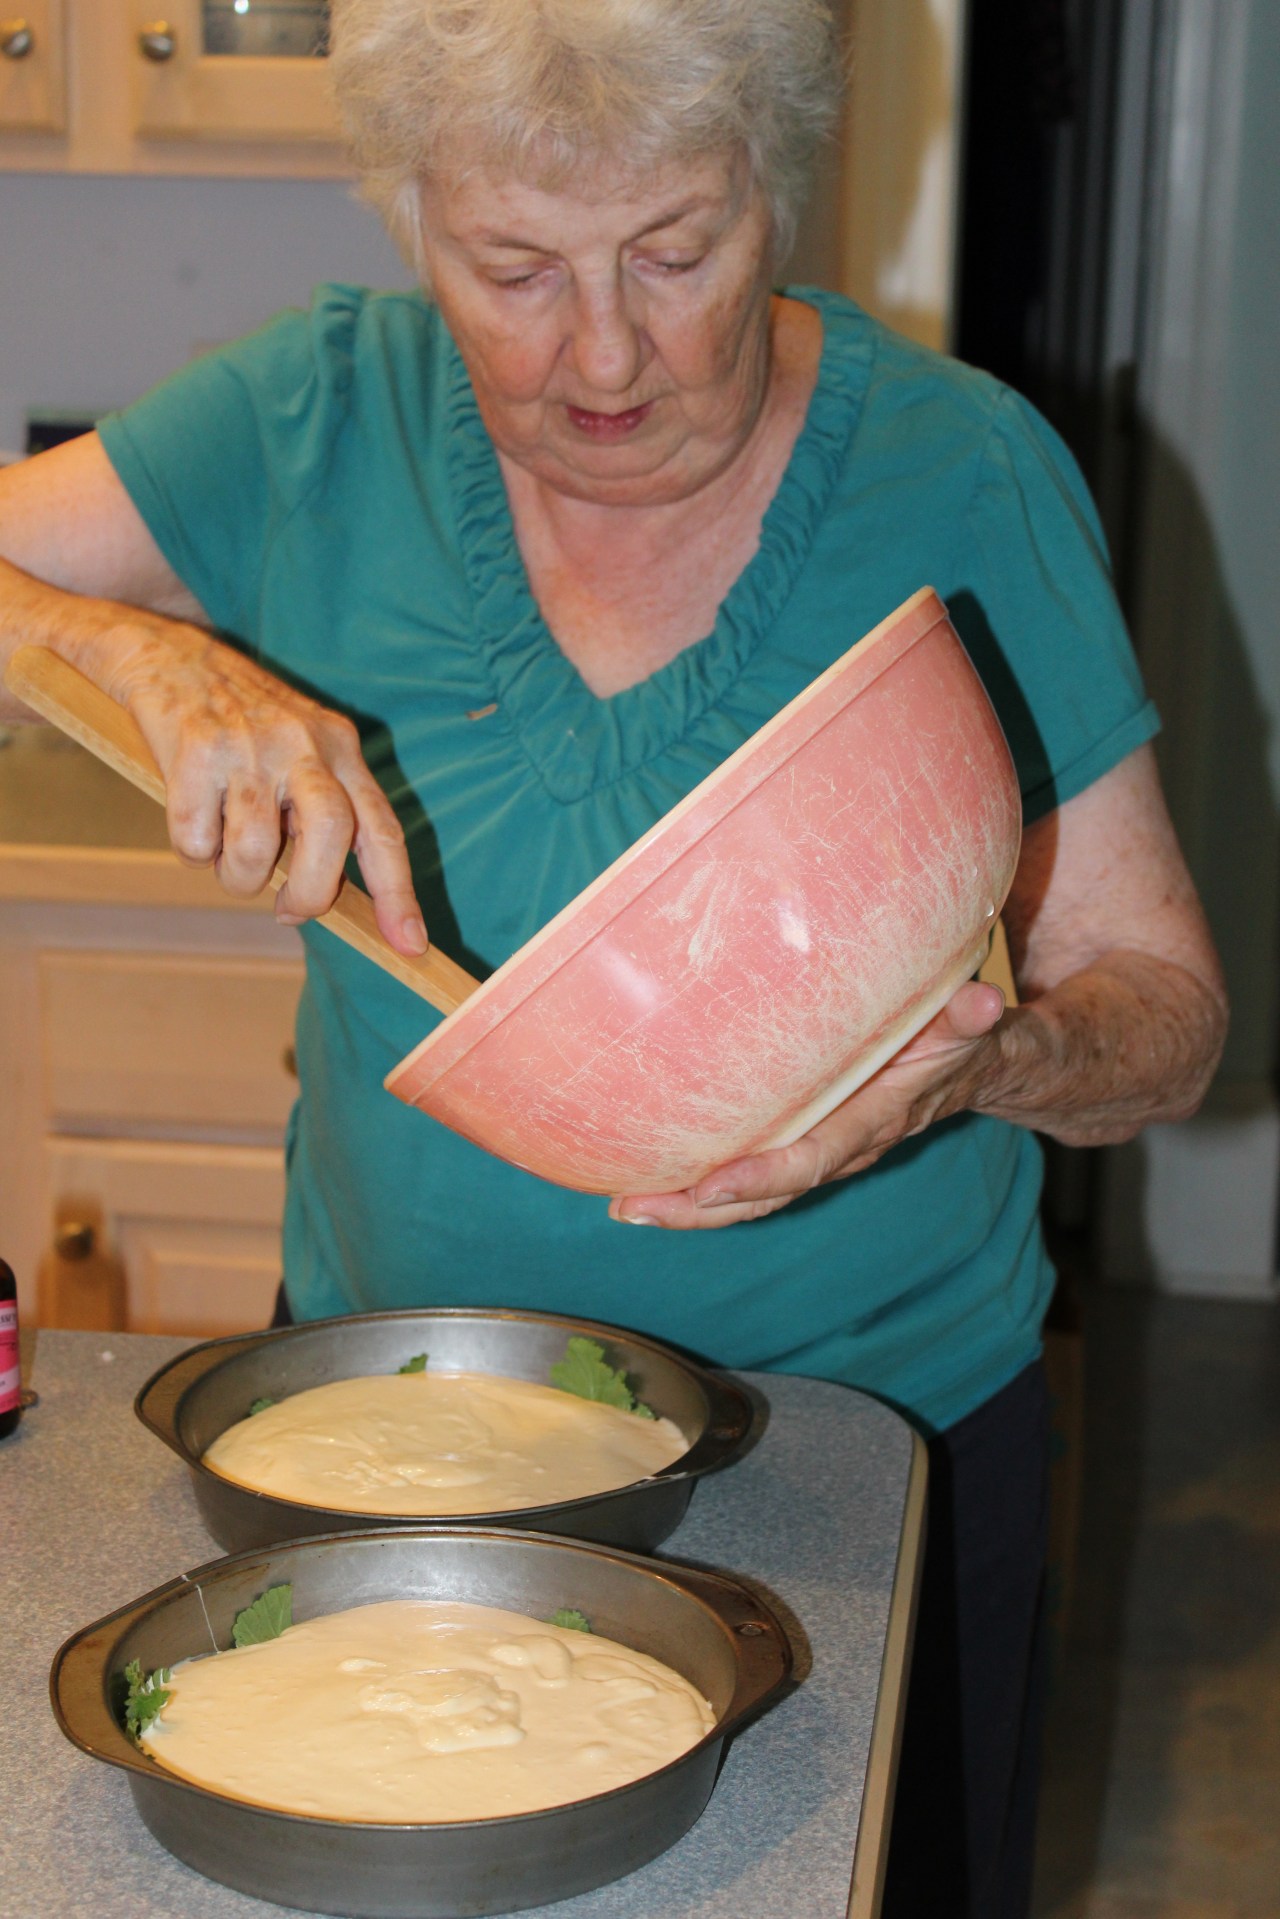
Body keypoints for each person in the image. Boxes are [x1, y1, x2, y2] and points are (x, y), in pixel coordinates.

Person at [0, 2, 1226, 1912]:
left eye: (674, 250)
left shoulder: (965, 474)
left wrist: (979, 1063)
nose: (601, 352)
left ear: (783, 193)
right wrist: (123, 651)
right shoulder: (318, 420)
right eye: (512, 269)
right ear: (413, 228)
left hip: (863, 1460)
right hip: (383, 1449)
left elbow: (1168, 1025)